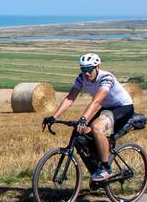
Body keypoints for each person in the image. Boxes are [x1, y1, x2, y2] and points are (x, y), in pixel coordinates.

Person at [43, 53, 135, 183]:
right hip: (107, 108)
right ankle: (96, 173)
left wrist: (84, 119)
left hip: (122, 108)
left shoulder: (106, 78)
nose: (86, 73)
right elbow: (70, 98)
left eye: (89, 69)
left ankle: (105, 168)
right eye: (83, 69)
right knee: (81, 136)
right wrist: (53, 116)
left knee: (96, 128)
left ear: (97, 67)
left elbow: (96, 102)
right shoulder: (82, 78)